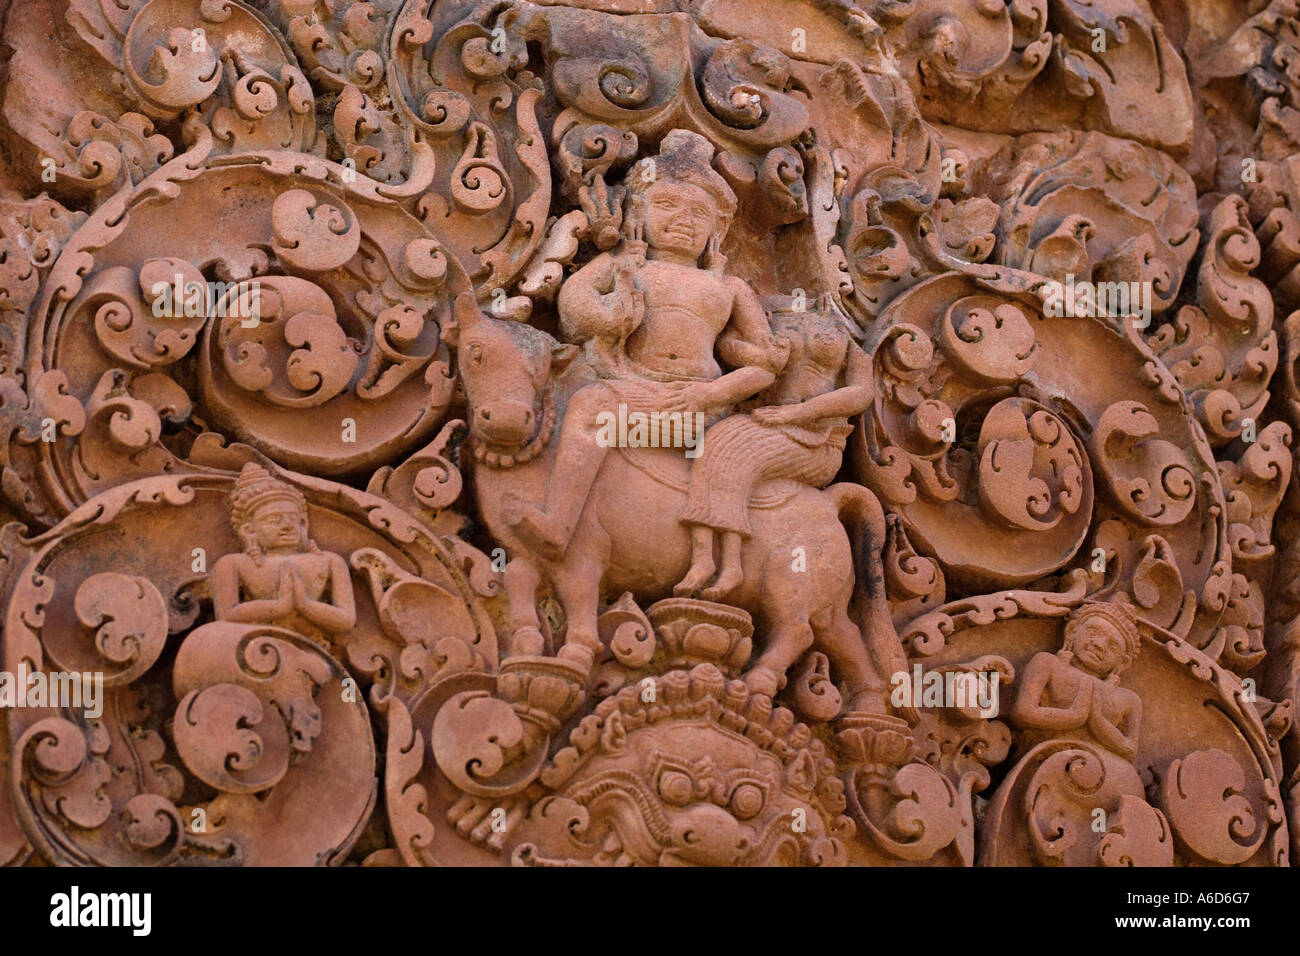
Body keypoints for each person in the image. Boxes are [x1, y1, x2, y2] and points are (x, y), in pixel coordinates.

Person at [504, 129, 787, 559]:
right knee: (565, 390)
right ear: (638, 211)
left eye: (698, 213)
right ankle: (559, 520)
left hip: (693, 415)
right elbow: (573, 301)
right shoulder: (621, 265)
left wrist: (709, 394)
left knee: (589, 408)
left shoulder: (729, 288)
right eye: (667, 205)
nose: (683, 221)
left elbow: (765, 366)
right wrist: (607, 316)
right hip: (630, 386)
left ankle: (559, 523)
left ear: (717, 229)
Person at [675, 303, 872, 600]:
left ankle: (731, 565)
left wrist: (796, 414)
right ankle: (704, 558)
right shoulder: (769, 311)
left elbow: (861, 394)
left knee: (736, 452)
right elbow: (728, 347)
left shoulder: (846, 327)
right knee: (716, 441)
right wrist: (760, 353)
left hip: (818, 438)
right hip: (770, 420)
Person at [211, 462, 356, 644]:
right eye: (273, 520)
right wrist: (280, 606)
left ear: (303, 524)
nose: (287, 526)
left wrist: (306, 605)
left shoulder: (330, 560)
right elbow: (226, 614)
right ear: (249, 530)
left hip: (316, 645)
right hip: (257, 645)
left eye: (293, 519)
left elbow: (347, 619)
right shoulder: (233, 563)